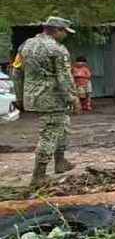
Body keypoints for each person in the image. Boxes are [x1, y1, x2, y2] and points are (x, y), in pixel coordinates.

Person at [14, 17, 79, 185]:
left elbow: (17, 72)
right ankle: (39, 174)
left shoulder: (25, 46)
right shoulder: (57, 49)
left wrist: (19, 97)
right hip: (51, 97)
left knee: (63, 126)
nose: (65, 35)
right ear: (57, 30)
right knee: (49, 133)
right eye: (65, 32)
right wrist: (73, 97)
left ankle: (60, 161)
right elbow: (64, 77)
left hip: (33, 96)